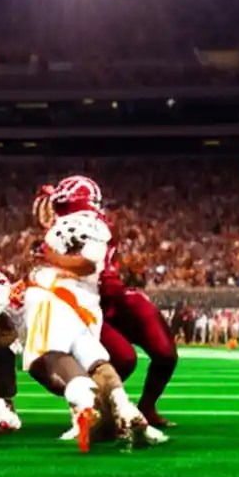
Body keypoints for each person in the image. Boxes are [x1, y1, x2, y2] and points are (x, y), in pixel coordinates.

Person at [34, 176, 178, 428]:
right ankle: (96, 407)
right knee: (123, 360)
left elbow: (90, 261)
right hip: (87, 303)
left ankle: (146, 406)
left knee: (165, 352)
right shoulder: (57, 233)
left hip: (113, 295)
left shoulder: (100, 225)